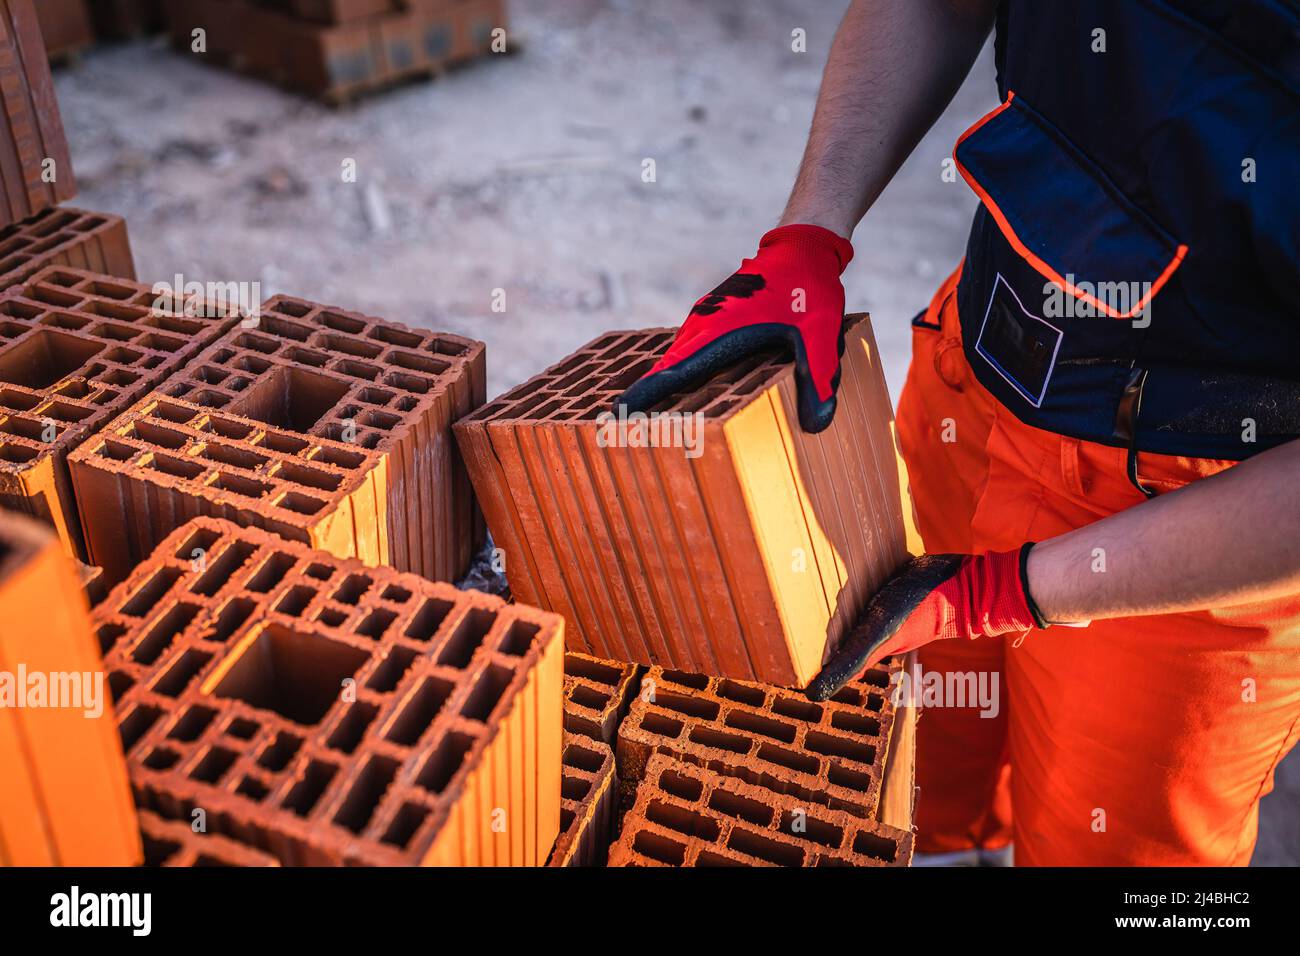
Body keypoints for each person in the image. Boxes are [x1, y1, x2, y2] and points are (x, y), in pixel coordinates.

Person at [618, 0, 1300, 866]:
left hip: (1198, 527)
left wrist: (1000, 595)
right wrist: (806, 238)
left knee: (1117, 850)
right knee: (907, 763)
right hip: (971, 382)